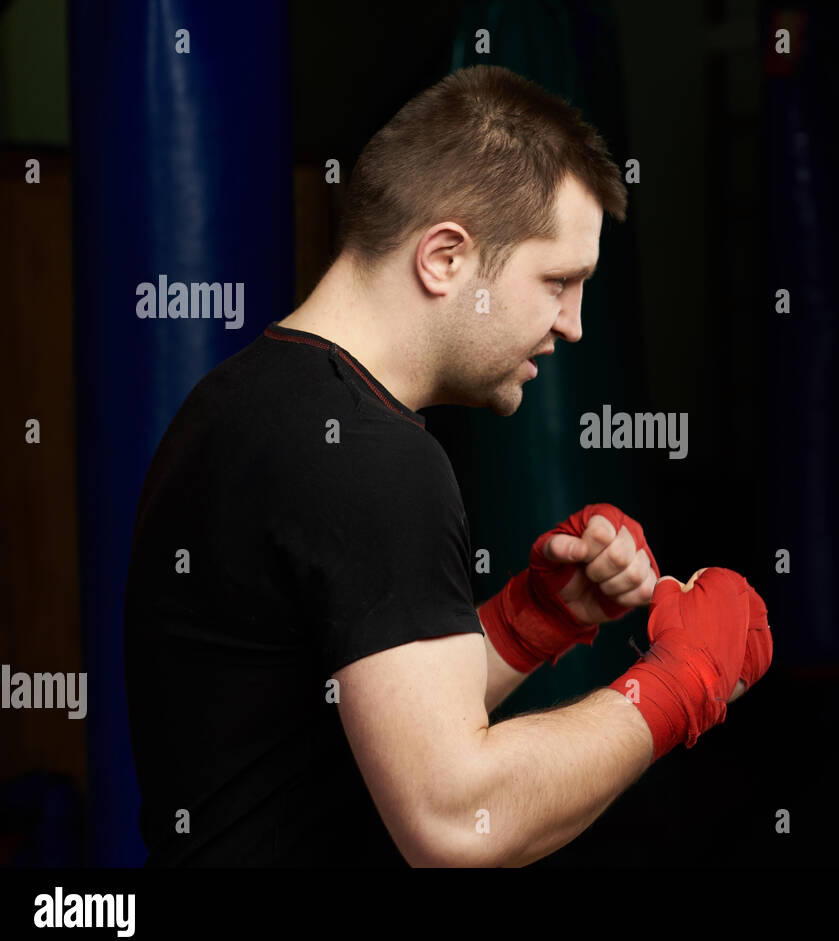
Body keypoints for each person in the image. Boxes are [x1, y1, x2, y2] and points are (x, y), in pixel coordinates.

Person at [123, 64, 772, 867]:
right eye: (558, 282)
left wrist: (527, 625)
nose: (572, 325)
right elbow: (456, 818)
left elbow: (319, 735)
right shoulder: (374, 459)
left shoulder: (236, 400)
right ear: (444, 258)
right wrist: (685, 679)